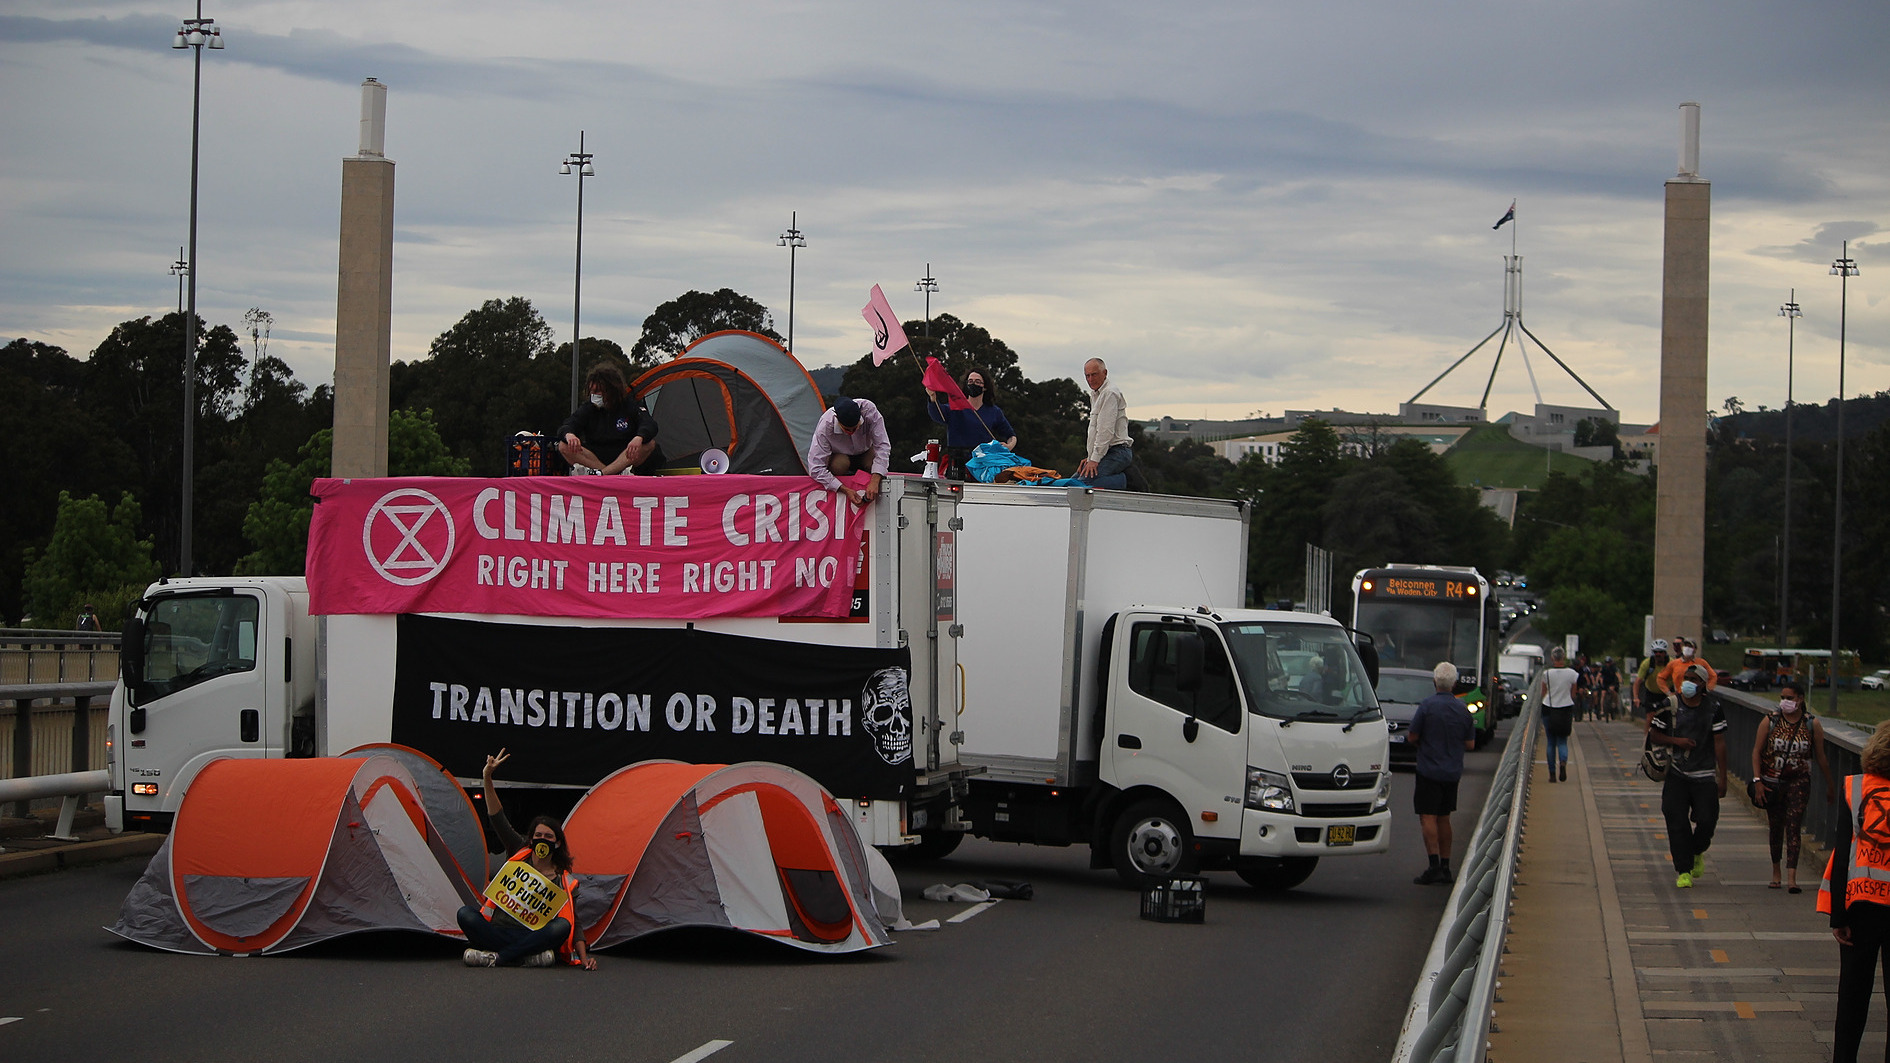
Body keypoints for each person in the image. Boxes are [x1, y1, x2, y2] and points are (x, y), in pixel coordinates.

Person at [457, 749, 596, 970]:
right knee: (465, 914)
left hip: (533, 933)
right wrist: (487, 778)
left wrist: (583, 957)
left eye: (548, 837)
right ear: (530, 840)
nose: (543, 840)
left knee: (561, 926)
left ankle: (497, 958)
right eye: (538, 836)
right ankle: (524, 957)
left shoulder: (564, 881)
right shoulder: (518, 851)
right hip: (499, 930)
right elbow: (497, 818)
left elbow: (575, 925)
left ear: (557, 843)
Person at [1820, 722, 1890, 1063]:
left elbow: (1841, 854)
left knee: (1852, 997)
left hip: (1861, 904)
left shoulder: (1855, 788)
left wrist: (1838, 915)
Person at [1647, 664, 1728, 888]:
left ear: (1703, 684)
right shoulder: (1671, 704)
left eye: (1693, 679)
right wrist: (1677, 742)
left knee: (1707, 820)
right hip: (1677, 773)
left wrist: (1723, 778)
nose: (1688, 682)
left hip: (1705, 775)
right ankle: (1684, 870)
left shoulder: (1713, 708)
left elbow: (1720, 743)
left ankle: (1697, 850)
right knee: (1676, 822)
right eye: (1686, 678)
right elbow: (1654, 734)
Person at [1751, 684, 1835, 892]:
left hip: (1799, 782)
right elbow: (1756, 752)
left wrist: (1830, 784)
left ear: (1799, 698)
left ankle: (1792, 877)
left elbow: (1821, 757)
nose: (1785, 701)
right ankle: (1776, 872)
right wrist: (1757, 781)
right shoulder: (1770, 721)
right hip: (1772, 782)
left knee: (1794, 825)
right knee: (1776, 827)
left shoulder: (1811, 724)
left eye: (1789, 697)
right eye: (1782, 697)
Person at [1410, 661, 1478, 885]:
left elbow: (1412, 736)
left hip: (1429, 769)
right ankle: (1447, 866)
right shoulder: (1462, 709)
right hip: (1452, 771)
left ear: (1434, 681)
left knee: (1427, 816)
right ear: (1455, 683)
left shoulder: (1427, 706)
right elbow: (1470, 744)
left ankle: (1433, 865)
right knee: (1444, 817)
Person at [557, 363, 660, 475]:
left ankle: (604, 474)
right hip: (595, 457)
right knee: (563, 446)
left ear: (611, 390)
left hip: (624, 456)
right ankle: (608, 474)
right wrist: (569, 435)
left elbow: (649, 424)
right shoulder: (588, 408)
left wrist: (639, 437)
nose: (594, 395)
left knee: (649, 444)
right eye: (592, 391)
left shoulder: (630, 405)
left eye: (598, 391)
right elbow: (568, 424)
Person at [924, 367, 1016, 479]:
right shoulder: (955, 407)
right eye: (970, 381)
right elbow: (937, 415)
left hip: (983, 465)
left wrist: (1009, 446)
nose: (973, 384)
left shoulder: (994, 412)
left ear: (985, 387)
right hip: (956, 463)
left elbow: (1011, 435)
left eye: (978, 382)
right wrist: (932, 397)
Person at [808, 397, 890, 507]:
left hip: (865, 451)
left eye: (856, 428)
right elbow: (815, 467)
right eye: (846, 429)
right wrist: (844, 489)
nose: (852, 432)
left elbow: (882, 445)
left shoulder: (869, 410)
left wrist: (875, 480)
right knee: (839, 465)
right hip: (840, 456)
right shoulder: (825, 425)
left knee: (873, 464)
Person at [1076, 358, 1133, 490]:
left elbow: (1105, 431)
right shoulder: (1096, 394)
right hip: (1105, 452)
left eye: (1094, 374)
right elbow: (1095, 430)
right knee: (1073, 482)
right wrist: (1090, 457)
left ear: (1105, 373)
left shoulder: (1109, 393)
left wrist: (1094, 460)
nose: (1090, 379)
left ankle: (1125, 481)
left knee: (1082, 487)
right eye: (1087, 376)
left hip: (1117, 451)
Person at [1535, 647, 1580, 782]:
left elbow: (1543, 692)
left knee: (1551, 742)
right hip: (1565, 709)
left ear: (1553, 658)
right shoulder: (1572, 674)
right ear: (1564, 658)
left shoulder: (1547, 674)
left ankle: (1552, 774)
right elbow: (1573, 693)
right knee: (1562, 740)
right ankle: (1563, 762)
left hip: (1549, 708)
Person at [1634, 639, 1673, 717]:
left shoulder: (1672, 663)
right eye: (1655, 652)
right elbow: (1638, 681)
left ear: (1665, 653)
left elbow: (1678, 679)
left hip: (1667, 693)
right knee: (1650, 716)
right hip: (1651, 693)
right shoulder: (1647, 663)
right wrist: (1636, 697)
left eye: (1660, 652)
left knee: (1670, 717)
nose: (1658, 654)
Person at [1599, 656, 1621, 721]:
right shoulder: (1603, 668)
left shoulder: (1614, 668)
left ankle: (1615, 704)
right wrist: (1597, 682)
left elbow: (1618, 675)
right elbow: (1599, 675)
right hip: (1605, 683)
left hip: (1612, 683)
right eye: (1606, 662)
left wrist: (1620, 681)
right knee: (1603, 695)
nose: (1608, 664)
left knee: (1613, 691)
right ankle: (1602, 710)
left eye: (1609, 662)